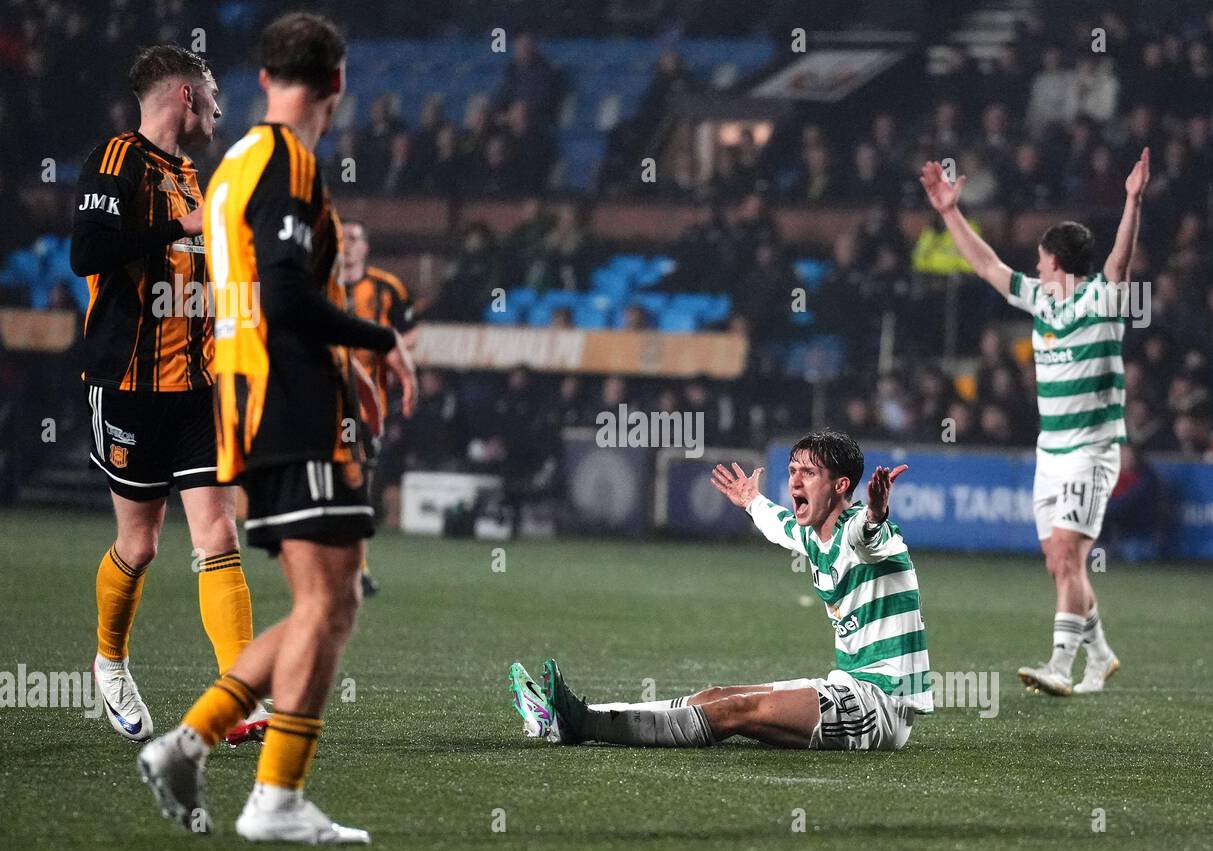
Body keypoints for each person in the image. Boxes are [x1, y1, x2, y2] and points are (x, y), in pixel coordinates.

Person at [137, 12, 417, 845]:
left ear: (263, 79)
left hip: (252, 405)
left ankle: (186, 745)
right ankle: (275, 796)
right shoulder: (288, 164)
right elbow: (290, 297)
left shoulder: (230, 167)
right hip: (292, 409)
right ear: (336, 84)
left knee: (321, 602)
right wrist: (379, 339)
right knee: (332, 601)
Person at [69, 44, 266, 744]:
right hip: (126, 385)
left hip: (195, 389)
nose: (219, 105)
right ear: (185, 94)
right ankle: (110, 660)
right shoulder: (117, 159)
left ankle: (238, 691)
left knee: (218, 532)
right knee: (142, 544)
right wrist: (182, 227)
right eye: (212, 90)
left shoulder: (190, 174)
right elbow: (87, 251)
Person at [509, 430, 931, 751]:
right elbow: (778, 524)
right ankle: (578, 715)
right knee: (716, 696)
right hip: (849, 687)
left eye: (809, 473)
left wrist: (877, 510)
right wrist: (751, 501)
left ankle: (581, 725)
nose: (795, 482)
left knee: (734, 712)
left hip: (881, 705)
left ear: (841, 486)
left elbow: (869, 534)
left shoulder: (868, 532)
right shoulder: (812, 536)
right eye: (792, 471)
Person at [919, 147, 1150, 696]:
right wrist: (951, 213)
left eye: (1042, 259)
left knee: (1068, 555)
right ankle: (1101, 656)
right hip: (1052, 452)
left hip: (1092, 450)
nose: (1035, 266)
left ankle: (1060, 664)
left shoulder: (1102, 299)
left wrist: (1131, 200)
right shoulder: (1043, 303)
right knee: (1057, 562)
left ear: (1057, 262)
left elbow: (1120, 260)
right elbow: (987, 266)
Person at [340, 219, 416, 596]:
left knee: (357, 484)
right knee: (332, 484)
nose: (346, 244)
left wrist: (392, 355)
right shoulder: (320, 284)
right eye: (340, 237)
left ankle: (358, 567)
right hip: (324, 398)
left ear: (365, 247)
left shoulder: (388, 288)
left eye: (353, 238)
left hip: (369, 403)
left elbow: (411, 331)